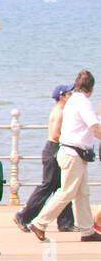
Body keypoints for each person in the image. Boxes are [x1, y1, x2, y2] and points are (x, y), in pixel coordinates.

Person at [29, 70, 101, 243]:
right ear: (91, 87)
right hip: (73, 153)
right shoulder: (83, 102)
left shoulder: (72, 101)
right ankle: (39, 222)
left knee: (82, 193)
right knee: (66, 192)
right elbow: (95, 126)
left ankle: (87, 230)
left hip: (71, 152)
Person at [13, 84, 78, 233]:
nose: (71, 96)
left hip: (54, 150)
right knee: (48, 186)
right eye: (69, 94)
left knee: (62, 186)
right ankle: (23, 216)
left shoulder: (61, 110)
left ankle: (66, 222)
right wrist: (70, 140)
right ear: (62, 97)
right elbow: (55, 134)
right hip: (54, 150)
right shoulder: (60, 112)